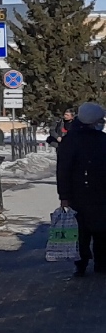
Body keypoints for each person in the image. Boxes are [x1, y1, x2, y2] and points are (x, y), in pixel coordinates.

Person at [55, 102, 106, 276]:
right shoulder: (74, 140)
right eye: (100, 120)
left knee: (96, 231)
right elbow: (64, 169)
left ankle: (95, 263)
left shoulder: (99, 138)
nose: (102, 123)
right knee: (84, 231)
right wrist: (64, 195)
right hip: (84, 193)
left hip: (93, 193)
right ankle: (86, 263)